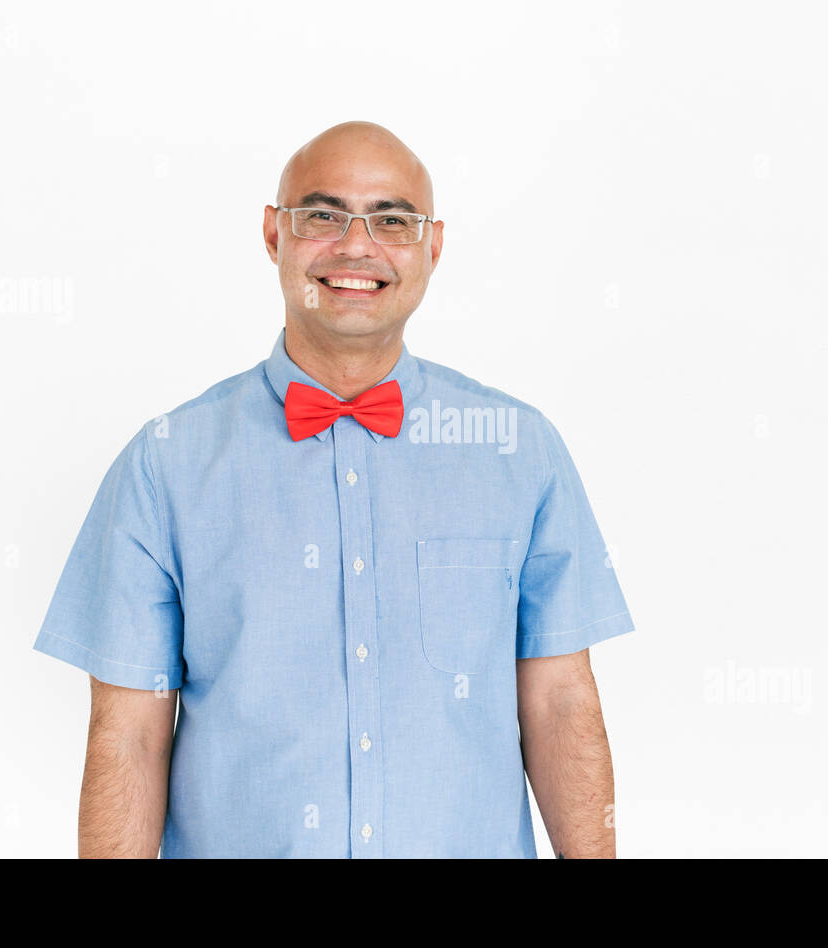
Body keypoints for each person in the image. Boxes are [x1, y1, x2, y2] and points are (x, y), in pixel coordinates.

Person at [33, 121, 635, 858]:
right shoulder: (164, 466)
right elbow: (128, 734)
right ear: (271, 234)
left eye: (392, 220)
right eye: (322, 216)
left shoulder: (520, 450)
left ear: (432, 247)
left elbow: (561, 702)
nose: (357, 245)